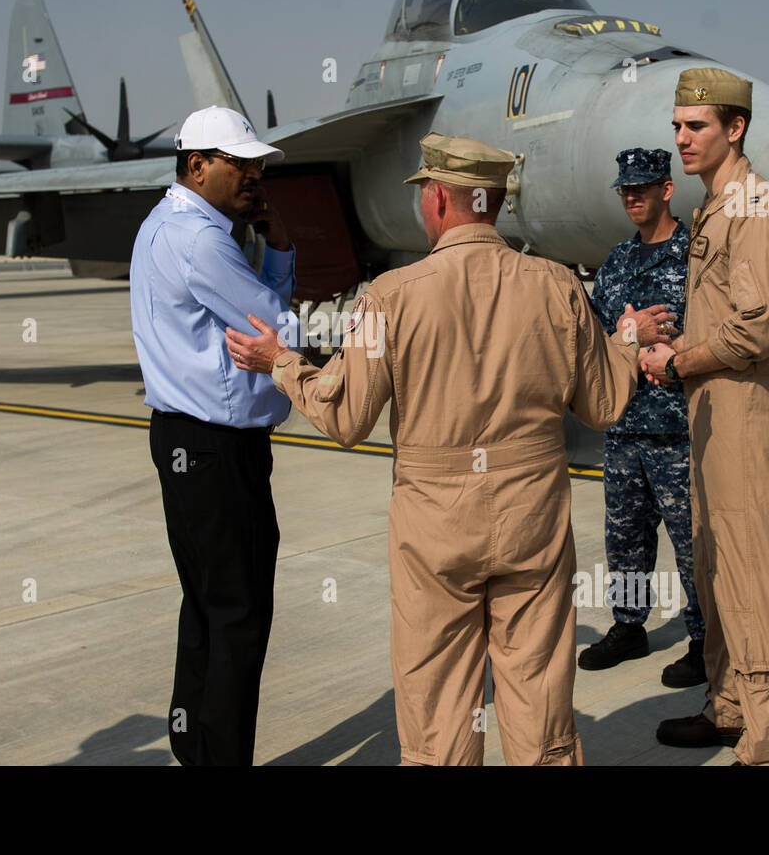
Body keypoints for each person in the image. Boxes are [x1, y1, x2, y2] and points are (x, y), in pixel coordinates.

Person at [226, 132, 674, 765]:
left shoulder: (391, 294)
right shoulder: (556, 285)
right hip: (532, 517)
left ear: (437, 198)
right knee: (540, 695)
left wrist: (281, 362)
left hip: (435, 526)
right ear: (493, 203)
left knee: (438, 709)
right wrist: (626, 345)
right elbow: (601, 406)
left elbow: (346, 415)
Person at [639, 68, 769, 765]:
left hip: (744, 417)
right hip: (712, 414)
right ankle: (731, 706)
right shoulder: (715, 206)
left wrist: (677, 361)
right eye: (677, 125)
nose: (681, 138)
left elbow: (757, 331)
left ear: (735, 129)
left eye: (696, 126)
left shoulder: (757, 209)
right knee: (716, 573)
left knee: (755, 583)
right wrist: (679, 345)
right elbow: (725, 318)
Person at [129, 105, 293, 765]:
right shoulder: (201, 238)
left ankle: (191, 744)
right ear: (197, 165)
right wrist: (280, 251)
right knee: (240, 615)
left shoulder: (161, 223)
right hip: (219, 449)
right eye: (240, 164)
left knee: (205, 605)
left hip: (181, 438)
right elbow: (279, 325)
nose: (254, 175)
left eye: (257, 165)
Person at [578, 147, 705, 688]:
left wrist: (671, 351)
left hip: (679, 428)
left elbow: (712, 331)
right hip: (625, 427)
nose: (632, 196)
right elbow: (594, 342)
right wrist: (631, 336)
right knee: (625, 539)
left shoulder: (696, 257)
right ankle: (630, 626)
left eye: (643, 187)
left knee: (692, 541)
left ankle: (706, 638)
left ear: (667, 189)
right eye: (625, 189)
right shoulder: (615, 264)